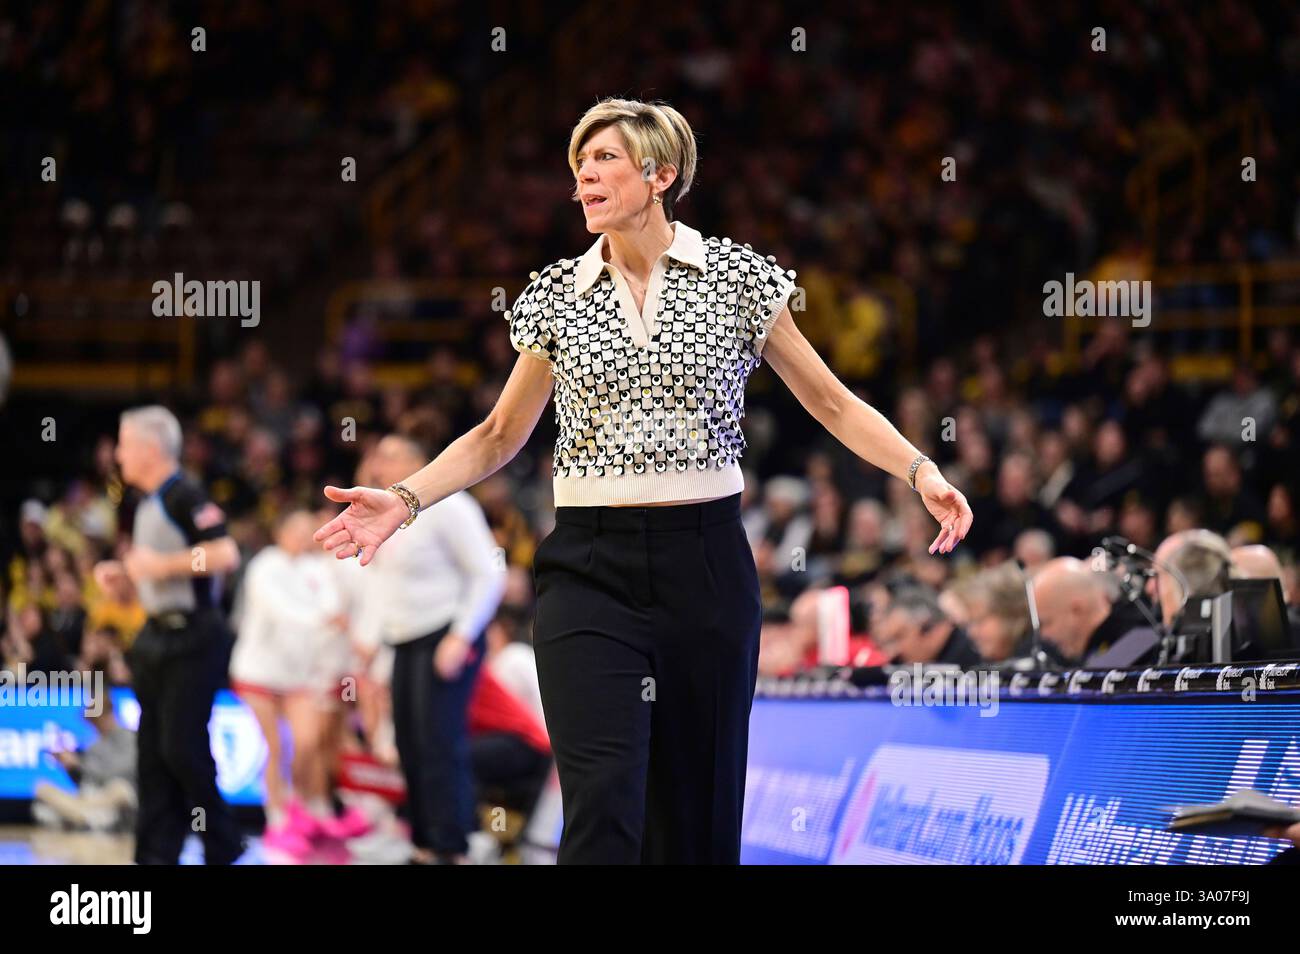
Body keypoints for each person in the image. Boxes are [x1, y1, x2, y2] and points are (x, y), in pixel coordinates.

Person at [312, 97, 973, 864]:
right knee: (601, 802)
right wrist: (404, 498)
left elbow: (829, 400)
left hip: (707, 563)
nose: (584, 175)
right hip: (590, 569)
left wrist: (919, 468)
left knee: (698, 814)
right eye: (578, 164)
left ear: (660, 174)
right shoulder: (557, 294)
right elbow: (499, 435)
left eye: (605, 160)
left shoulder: (737, 279)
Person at [337, 434, 506, 865]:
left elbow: (489, 574)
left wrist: (461, 636)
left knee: (439, 743)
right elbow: (382, 583)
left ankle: (455, 846)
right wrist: (371, 641)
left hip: (444, 634)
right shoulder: (385, 512)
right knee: (409, 743)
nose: (380, 461)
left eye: (392, 454)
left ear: (418, 459)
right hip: (404, 639)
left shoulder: (450, 504)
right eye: (379, 454)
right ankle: (425, 842)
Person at [99, 405, 244, 865]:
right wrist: (125, 577)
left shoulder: (185, 493)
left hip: (194, 637)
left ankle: (223, 843)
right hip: (157, 636)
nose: (117, 454)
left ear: (148, 447)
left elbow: (222, 554)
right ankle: (155, 854)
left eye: (123, 444)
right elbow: (160, 576)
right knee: (153, 753)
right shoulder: (144, 502)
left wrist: (159, 567)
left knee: (182, 750)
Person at [229, 509, 364, 859]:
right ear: (280, 532)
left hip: (298, 676)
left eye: (310, 530)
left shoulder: (317, 569)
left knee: (308, 742)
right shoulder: (265, 565)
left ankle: (313, 811)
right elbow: (282, 610)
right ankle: (277, 821)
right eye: (298, 530)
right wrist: (323, 619)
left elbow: (333, 607)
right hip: (257, 673)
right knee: (278, 746)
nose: (305, 537)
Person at [1032, 556, 1153, 666]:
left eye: (1046, 623)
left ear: (1076, 610)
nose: (1044, 635)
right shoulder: (1099, 651)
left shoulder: (1136, 644)